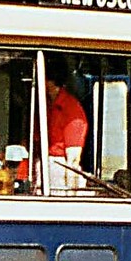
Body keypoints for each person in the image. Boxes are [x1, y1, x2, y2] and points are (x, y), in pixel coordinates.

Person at [44, 61, 89, 190]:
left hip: (60, 171)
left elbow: (73, 161)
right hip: (42, 167)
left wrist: (70, 196)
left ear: (50, 80)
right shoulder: (44, 105)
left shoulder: (72, 110)